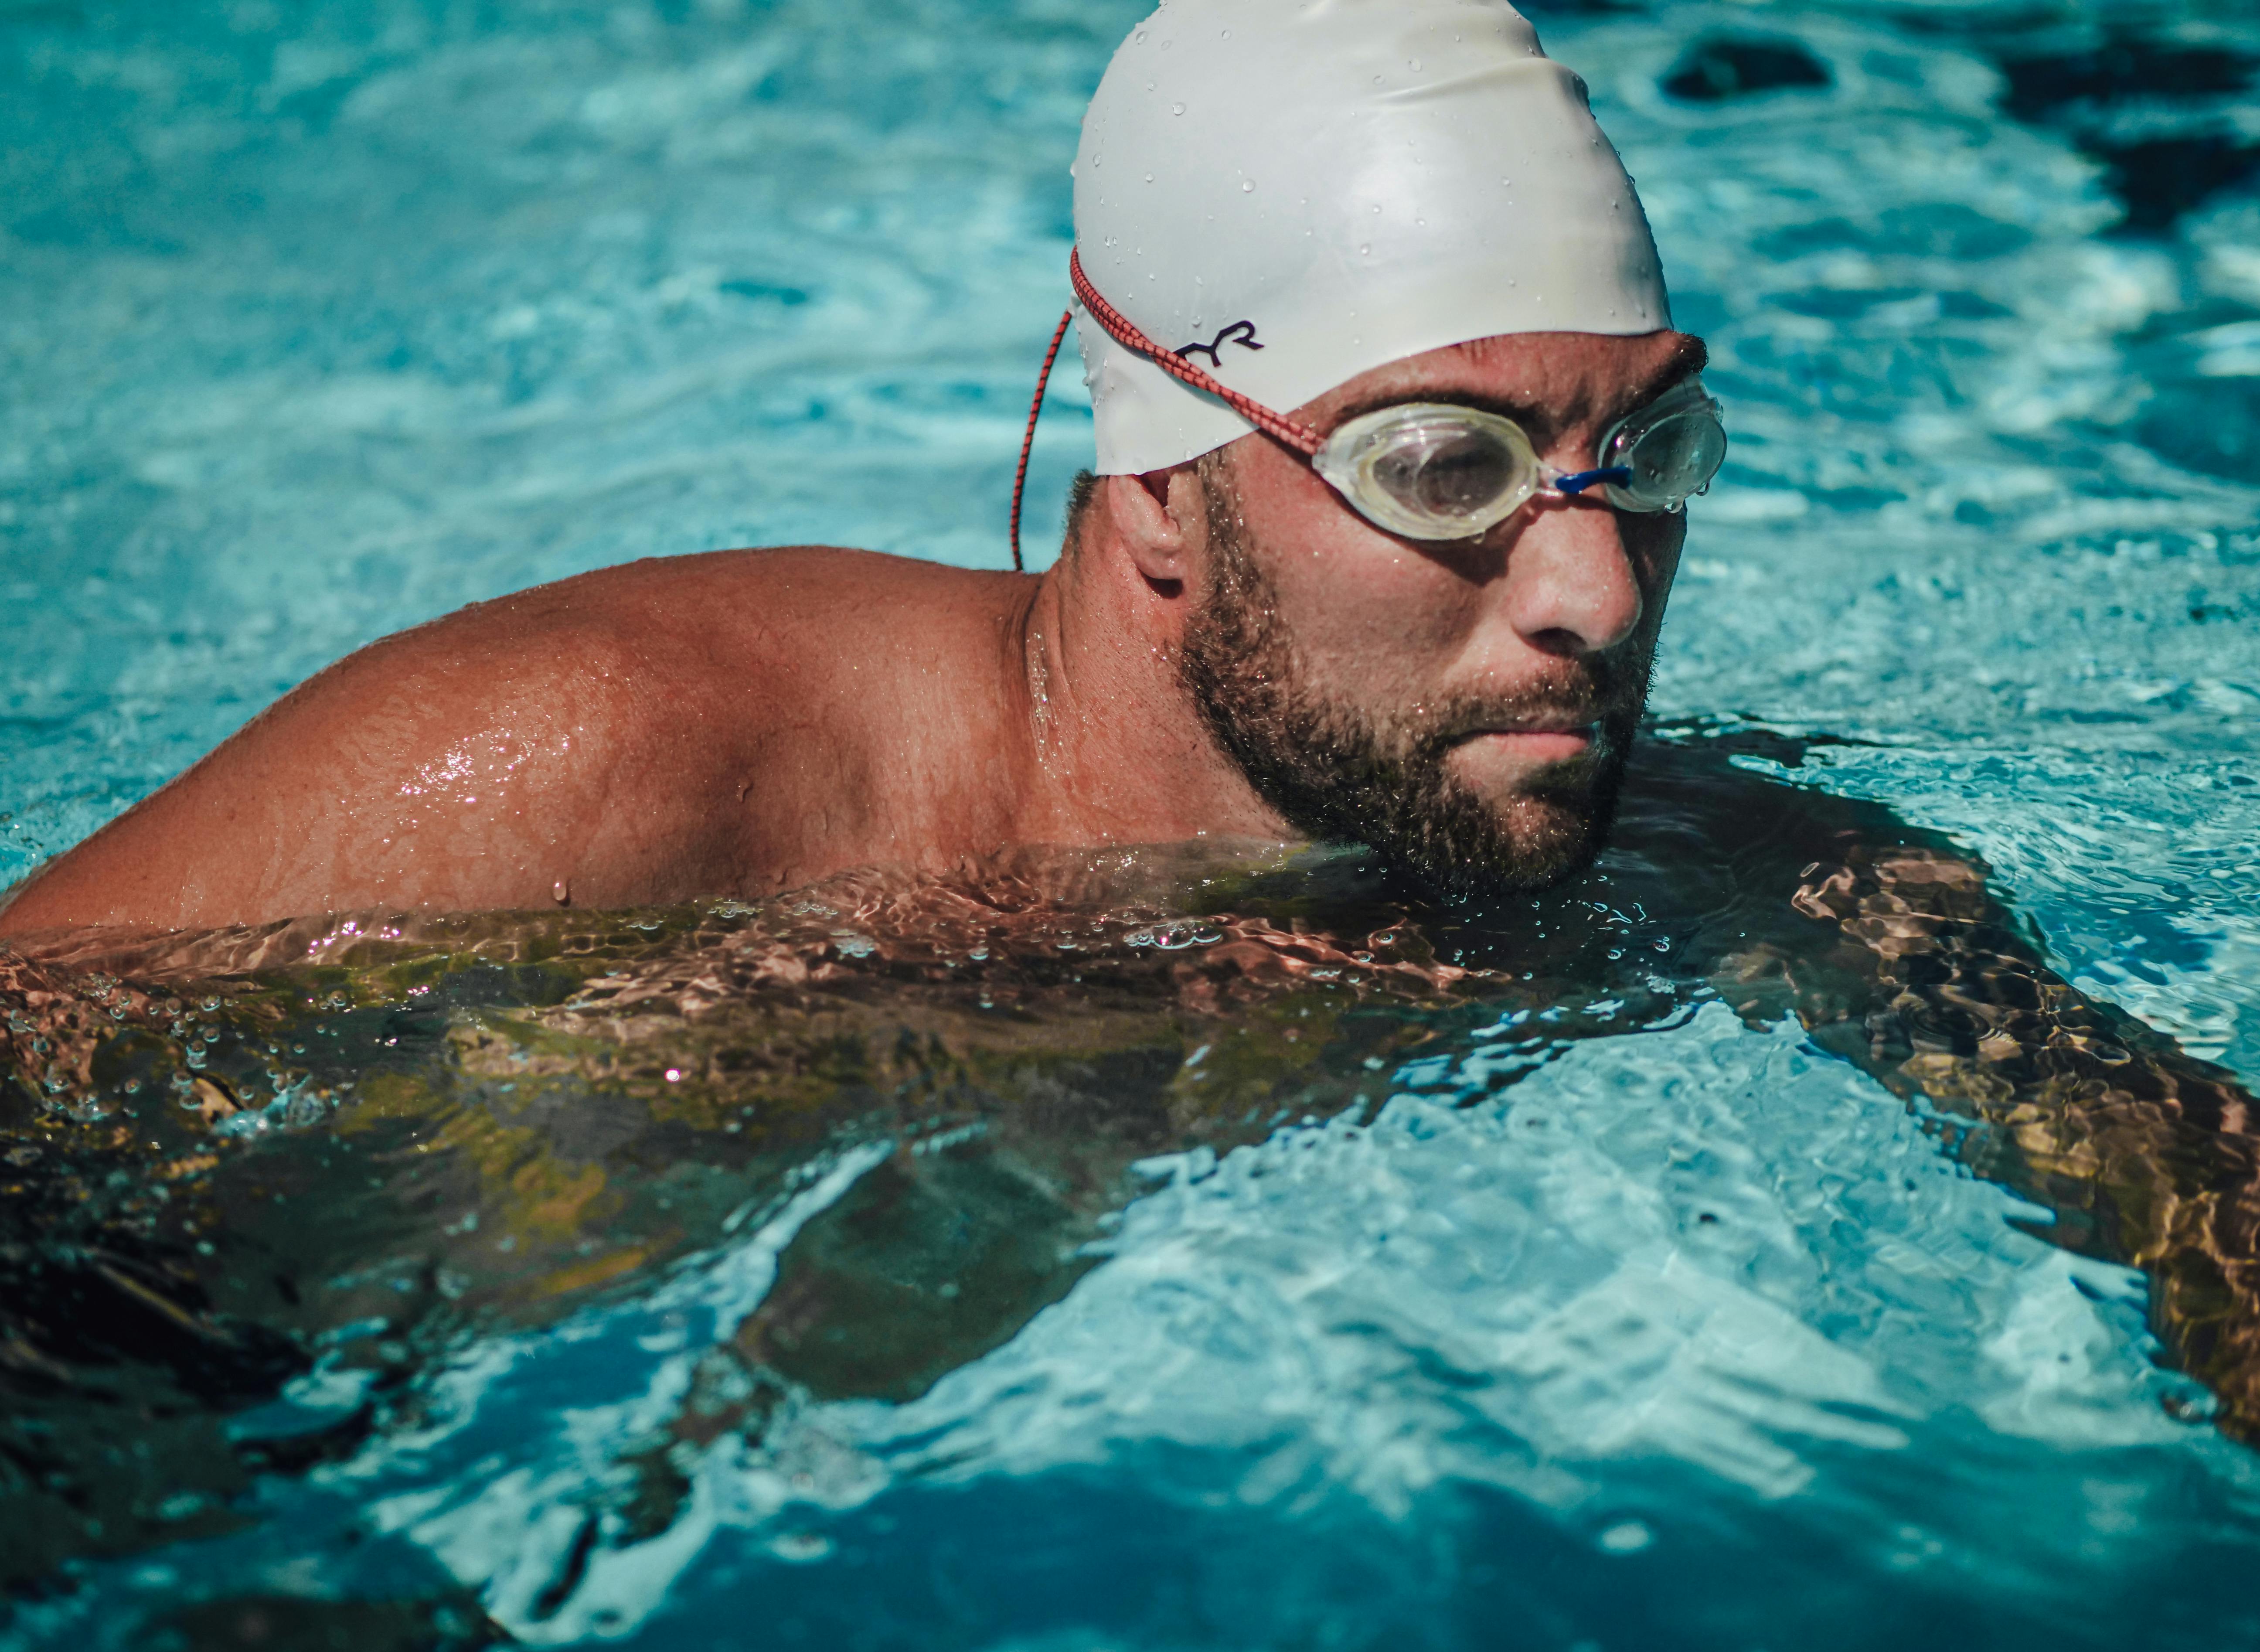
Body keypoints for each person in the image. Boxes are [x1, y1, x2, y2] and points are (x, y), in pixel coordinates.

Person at [0, 0, 1720, 937]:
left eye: (1642, 450)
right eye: (1440, 467)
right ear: (1157, 492)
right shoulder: (591, 772)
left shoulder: (1495, 831)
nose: (1597, 588)